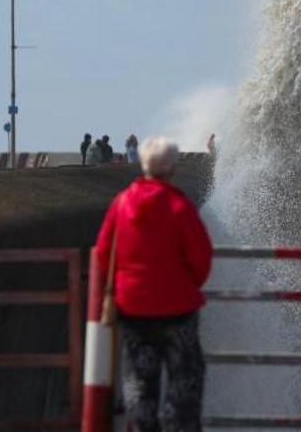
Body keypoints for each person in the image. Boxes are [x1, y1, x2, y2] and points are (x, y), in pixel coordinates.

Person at [94, 137, 212, 432]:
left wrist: (124, 284)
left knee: (139, 381)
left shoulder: (121, 203)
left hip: (134, 310)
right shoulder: (180, 207)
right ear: (172, 168)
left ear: (143, 166)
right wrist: (187, 284)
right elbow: (201, 259)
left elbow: (104, 252)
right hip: (177, 311)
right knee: (184, 380)